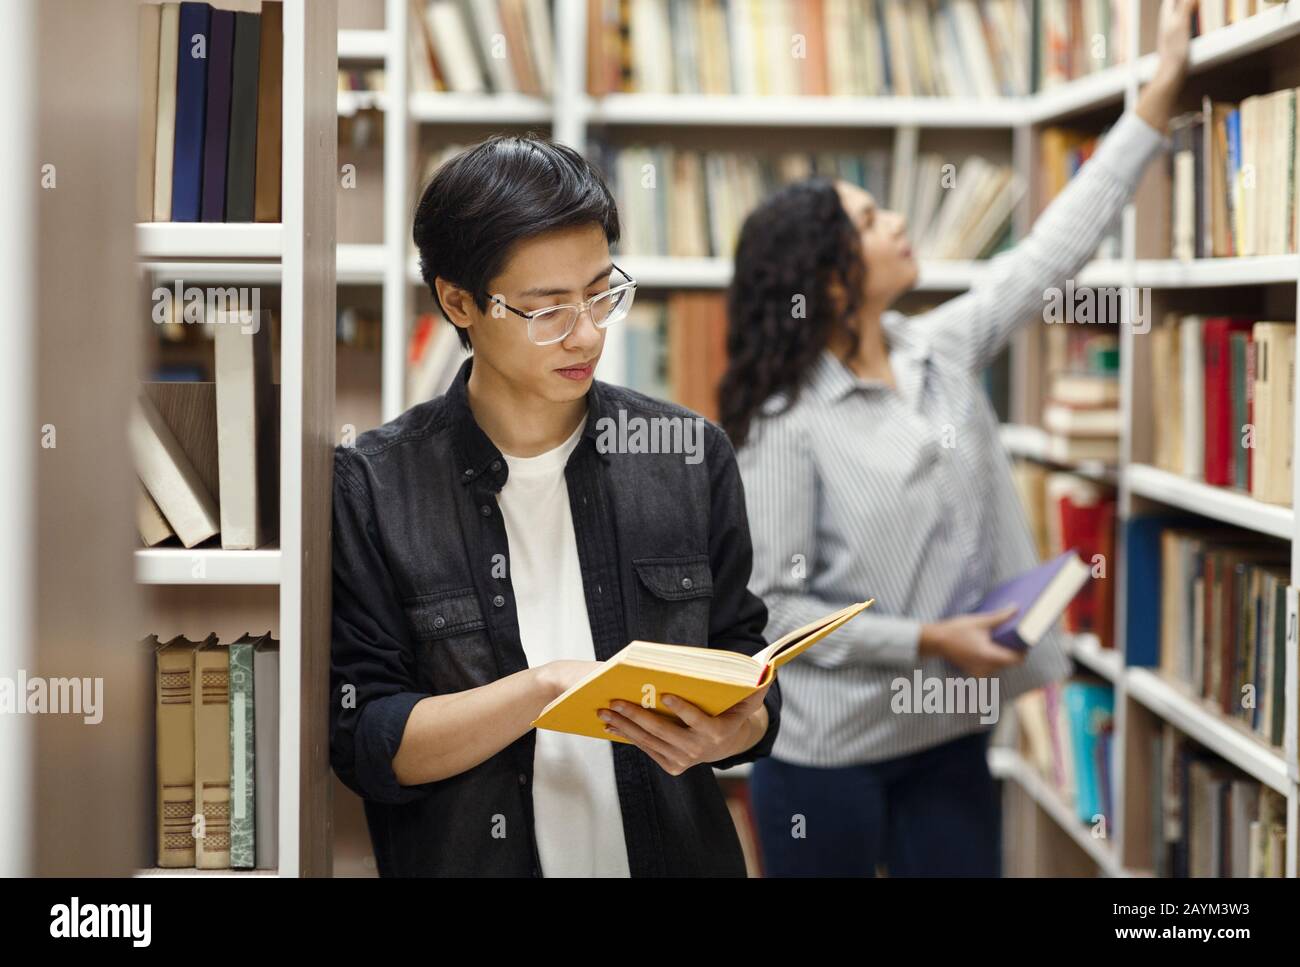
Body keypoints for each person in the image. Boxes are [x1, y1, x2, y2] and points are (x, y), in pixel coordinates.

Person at [722, 0, 1196, 876]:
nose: (899, 224)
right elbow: (777, 615)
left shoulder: (941, 343)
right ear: (828, 285)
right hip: (828, 756)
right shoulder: (789, 423)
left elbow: (1053, 252)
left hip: (948, 729)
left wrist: (1161, 92)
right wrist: (928, 642)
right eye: (870, 222)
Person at [329, 134, 780, 876]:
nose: (590, 332)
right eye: (547, 310)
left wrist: (727, 731)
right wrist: (543, 689)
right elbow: (373, 743)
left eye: (602, 292)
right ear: (458, 301)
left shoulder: (688, 454)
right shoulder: (376, 485)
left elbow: (749, 678)